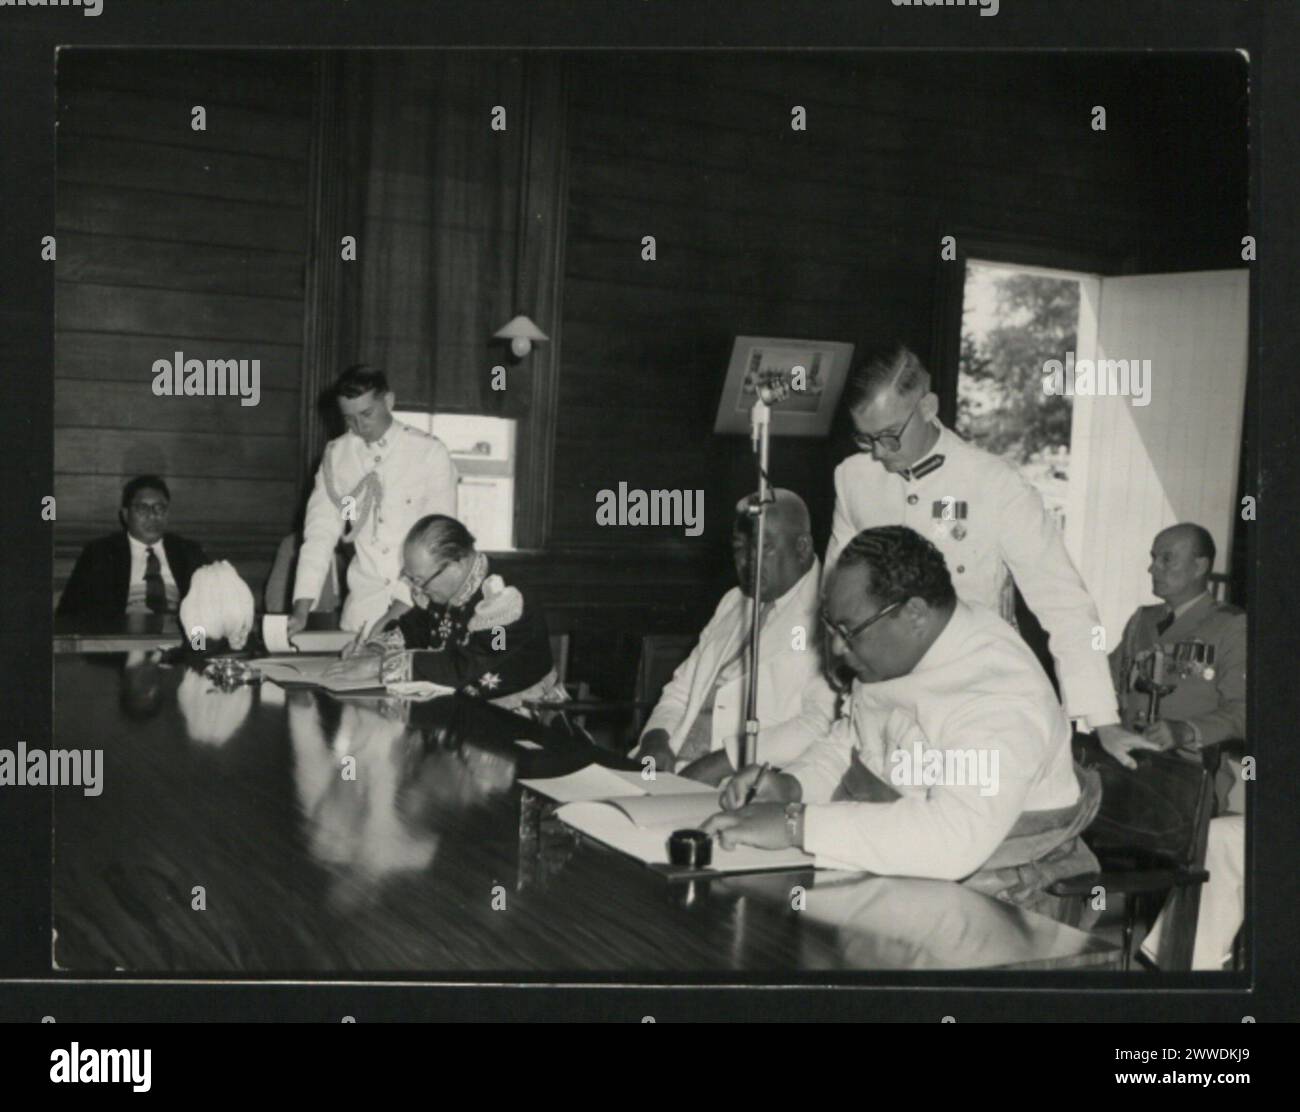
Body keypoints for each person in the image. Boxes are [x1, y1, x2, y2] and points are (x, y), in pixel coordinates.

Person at [703, 525, 1101, 923]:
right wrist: (793, 784)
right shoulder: (908, 648)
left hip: (999, 910)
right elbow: (853, 740)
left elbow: (952, 840)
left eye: (849, 631)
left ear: (913, 613)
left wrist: (796, 825)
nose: (838, 649)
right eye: (832, 628)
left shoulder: (1001, 698)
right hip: (898, 880)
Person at [824, 344, 1145, 759]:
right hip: (881, 698)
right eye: (866, 438)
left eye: (888, 436)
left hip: (970, 696)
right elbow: (836, 585)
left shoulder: (995, 484)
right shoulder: (854, 478)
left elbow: (1062, 600)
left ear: (927, 406)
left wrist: (1104, 719)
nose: (879, 453)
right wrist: (836, 662)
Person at [1106, 522, 1247, 971]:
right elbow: (1104, 686)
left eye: (1166, 558)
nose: (1154, 567)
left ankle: (1169, 961)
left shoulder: (1231, 627)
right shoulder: (1141, 623)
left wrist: (1185, 730)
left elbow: (1247, 711)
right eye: (1153, 556)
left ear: (1201, 566)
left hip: (1186, 778)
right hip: (1127, 772)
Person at [635, 489, 837, 784]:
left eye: (763, 548)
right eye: (740, 548)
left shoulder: (830, 610)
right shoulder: (733, 601)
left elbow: (820, 723)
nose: (747, 562)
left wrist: (722, 762)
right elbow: (680, 692)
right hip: (669, 772)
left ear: (802, 547)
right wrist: (654, 741)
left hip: (738, 782)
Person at [325, 515, 566, 715]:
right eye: (411, 578)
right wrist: (375, 650)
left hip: (518, 717)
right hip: (463, 710)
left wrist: (379, 667)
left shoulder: (504, 601)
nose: (416, 589)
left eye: (420, 580)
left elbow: (464, 666)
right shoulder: (443, 587)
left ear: (457, 564)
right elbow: (414, 629)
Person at [290, 365, 458, 637]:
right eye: (350, 418)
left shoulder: (428, 452)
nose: (359, 426)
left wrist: (395, 614)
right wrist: (301, 607)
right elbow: (320, 533)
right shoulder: (337, 455)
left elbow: (438, 540)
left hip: (418, 604)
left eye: (367, 414)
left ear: (388, 401)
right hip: (362, 608)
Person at [57, 475, 208, 621]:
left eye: (159, 508)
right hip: (121, 641)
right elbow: (70, 612)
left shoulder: (188, 552)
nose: (152, 516)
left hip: (180, 641)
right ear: (125, 514)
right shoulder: (100, 553)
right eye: (142, 508)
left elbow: (211, 610)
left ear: (167, 514)